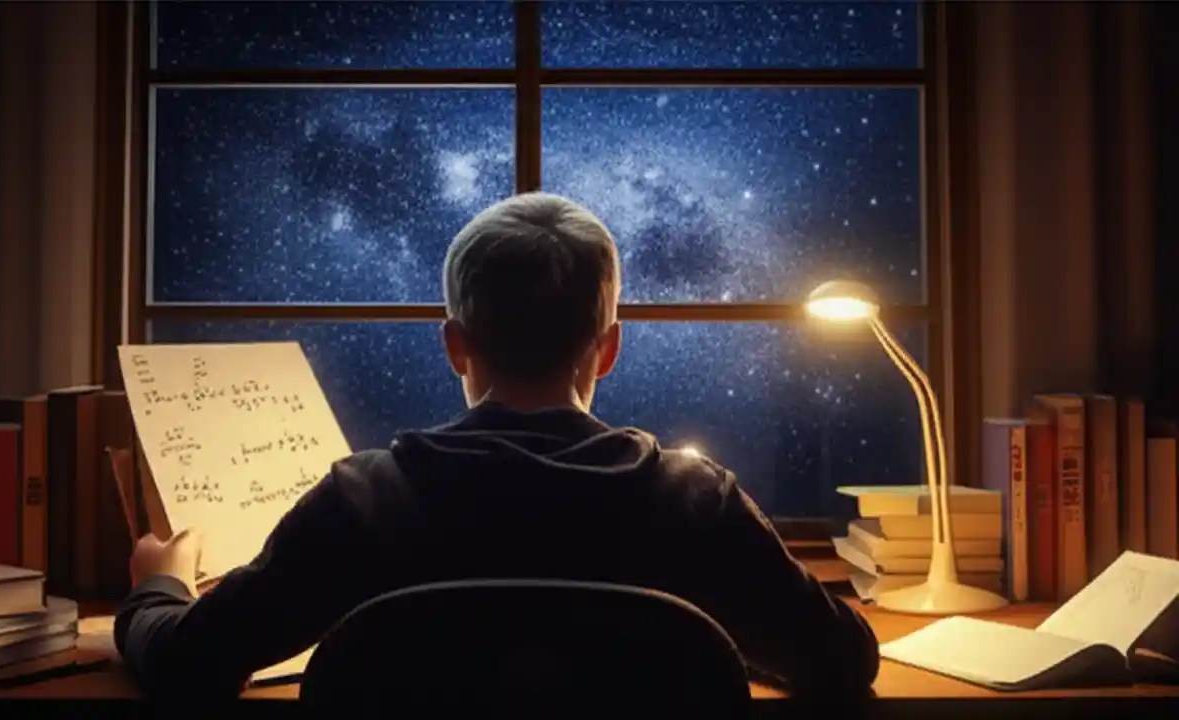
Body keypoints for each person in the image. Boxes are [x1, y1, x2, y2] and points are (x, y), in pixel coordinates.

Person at [115, 191, 879, 699]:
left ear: (454, 345)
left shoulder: (364, 501)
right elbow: (845, 661)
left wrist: (159, 584)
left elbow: (186, 664)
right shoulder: (694, 501)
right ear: (609, 348)